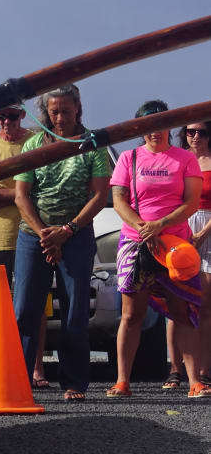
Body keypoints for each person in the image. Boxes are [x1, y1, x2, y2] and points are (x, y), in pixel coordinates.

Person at [12, 84, 110, 402]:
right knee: (25, 309)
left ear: (78, 109)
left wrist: (68, 230)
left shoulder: (92, 144)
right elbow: (21, 196)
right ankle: (19, 380)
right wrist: (45, 233)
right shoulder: (33, 144)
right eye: (54, 112)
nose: (60, 118)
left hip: (76, 235)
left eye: (66, 111)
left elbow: (99, 195)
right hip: (35, 237)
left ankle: (73, 382)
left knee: (75, 310)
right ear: (46, 112)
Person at [107, 101, 208, 398]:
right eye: (148, 126)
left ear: (169, 126)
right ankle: (122, 381)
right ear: (139, 129)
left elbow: (191, 203)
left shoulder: (184, 159)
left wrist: (160, 225)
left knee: (183, 311)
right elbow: (119, 201)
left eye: (161, 124)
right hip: (135, 242)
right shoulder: (128, 158)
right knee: (131, 314)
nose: (155, 131)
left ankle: (194, 381)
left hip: (176, 245)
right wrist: (143, 228)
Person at [0, 104, 50, 387]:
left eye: (12, 115)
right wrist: (21, 194)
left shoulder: (36, 143)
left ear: (23, 115)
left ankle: (36, 368)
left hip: (31, 232)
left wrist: (1, 194)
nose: (6, 121)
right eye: (0, 116)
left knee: (35, 304)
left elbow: (42, 188)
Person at [176, 120, 211, 389]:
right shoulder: (178, 160)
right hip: (181, 226)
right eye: (191, 131)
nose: (196, 136)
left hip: (207, 226)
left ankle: (204, 369)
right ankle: (177, 369)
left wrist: (201, 235)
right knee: (178, 302)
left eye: (202, 132)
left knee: (206, 303)